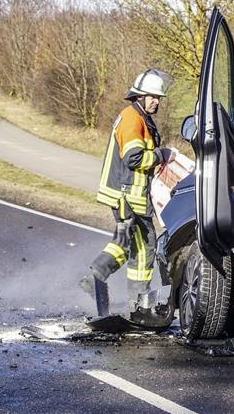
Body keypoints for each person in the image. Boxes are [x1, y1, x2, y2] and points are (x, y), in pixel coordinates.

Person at [79, 69, 175, 321]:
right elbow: (133, 158)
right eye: (152, 97)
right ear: (139, 96)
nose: (156, 101)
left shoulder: (138, 117)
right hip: (127, 196)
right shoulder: (133, 118)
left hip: (129, 195)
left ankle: (104, 283)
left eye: (158, 98)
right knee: (143, 247)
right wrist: (160, 156)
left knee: (128, 243)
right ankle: (134, 302)